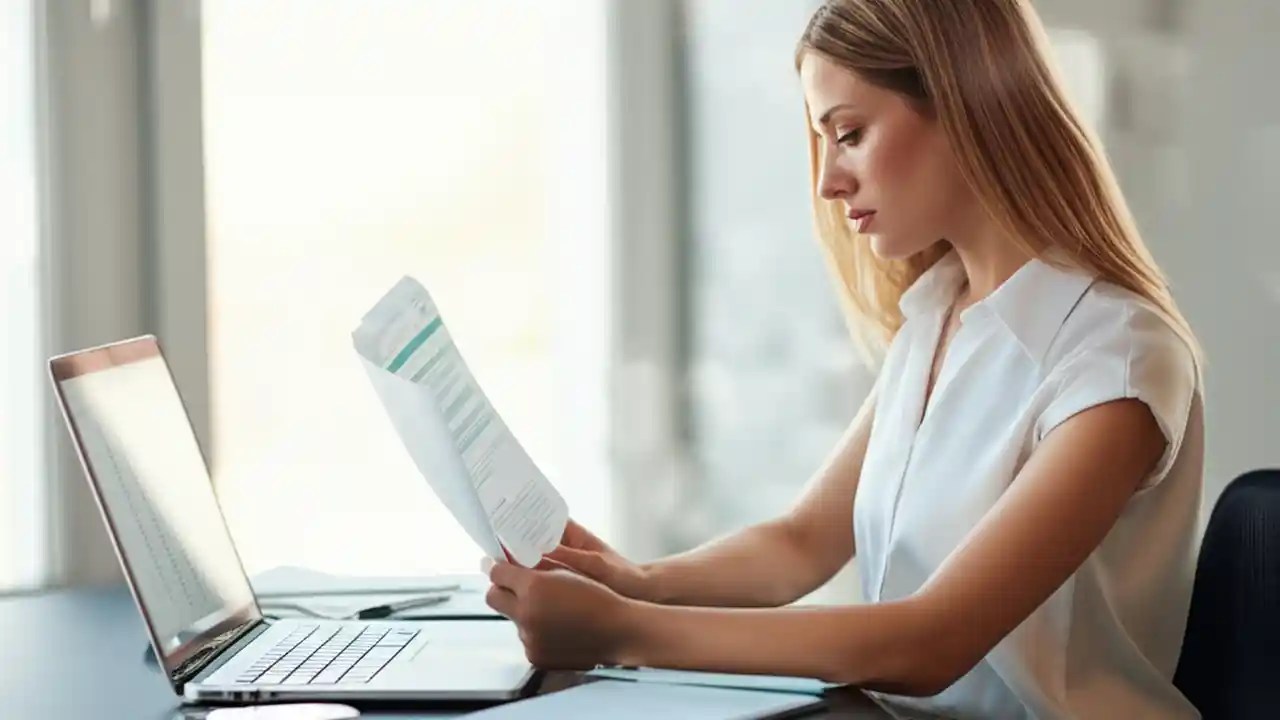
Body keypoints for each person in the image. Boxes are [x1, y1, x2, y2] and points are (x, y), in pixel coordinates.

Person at [483, 1, 1204, 717]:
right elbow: (798, 546)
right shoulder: (939, 315)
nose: (828, 180)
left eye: (850, 134)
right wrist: (634, 583)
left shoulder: (1117, 358)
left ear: (965, 103)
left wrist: (625, 630)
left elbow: (931, 642)